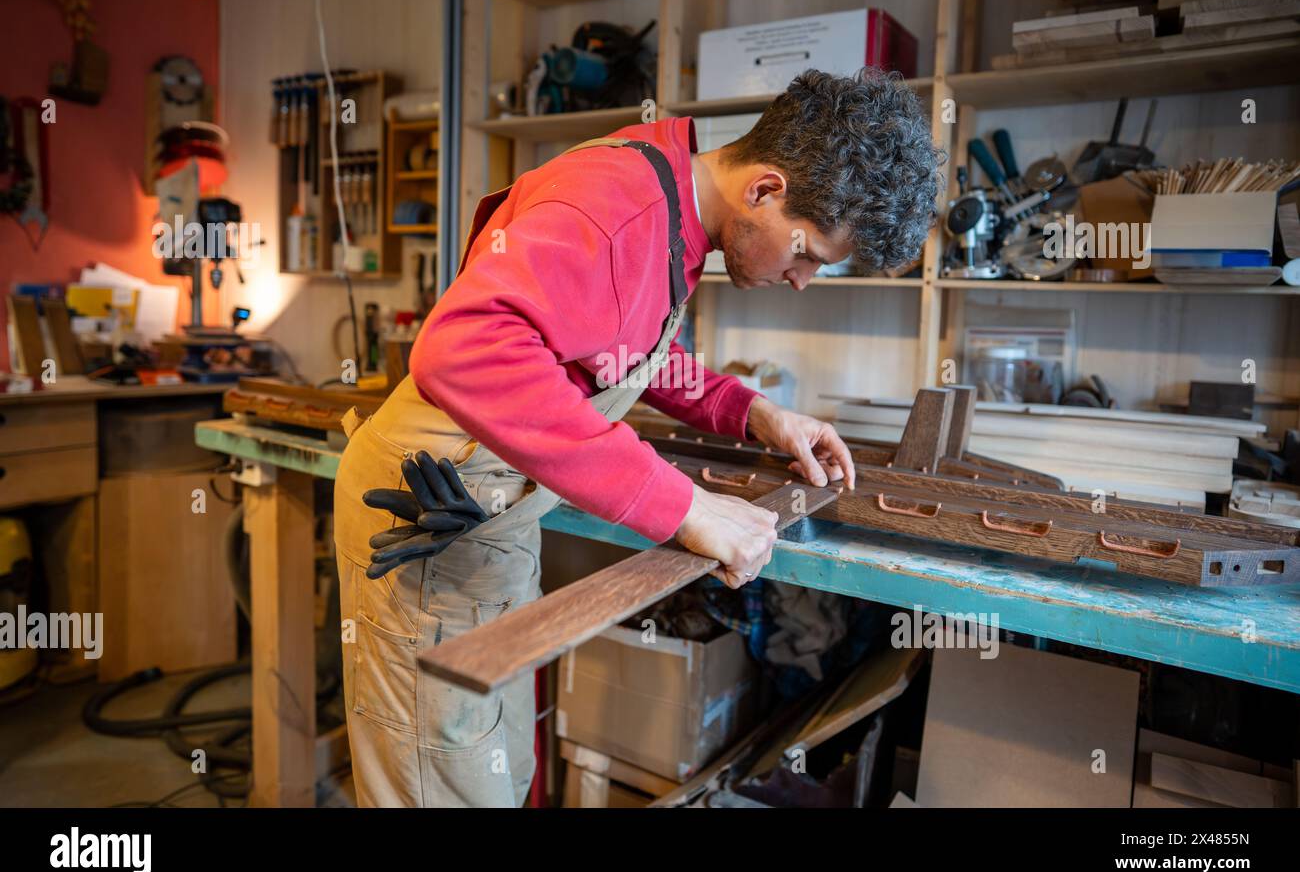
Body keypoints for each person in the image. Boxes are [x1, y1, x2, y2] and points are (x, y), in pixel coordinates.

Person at [332, 67, 941, 806]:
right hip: (424, 512)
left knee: (492, 770)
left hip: (490, 510)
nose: (803, 278)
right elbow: (463, 348)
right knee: (438, 781)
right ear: (765, 190)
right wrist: (685, 506)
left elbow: (618, 343)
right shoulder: (614, 205)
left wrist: (752, 413)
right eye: (807, 252)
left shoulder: (672, 208)